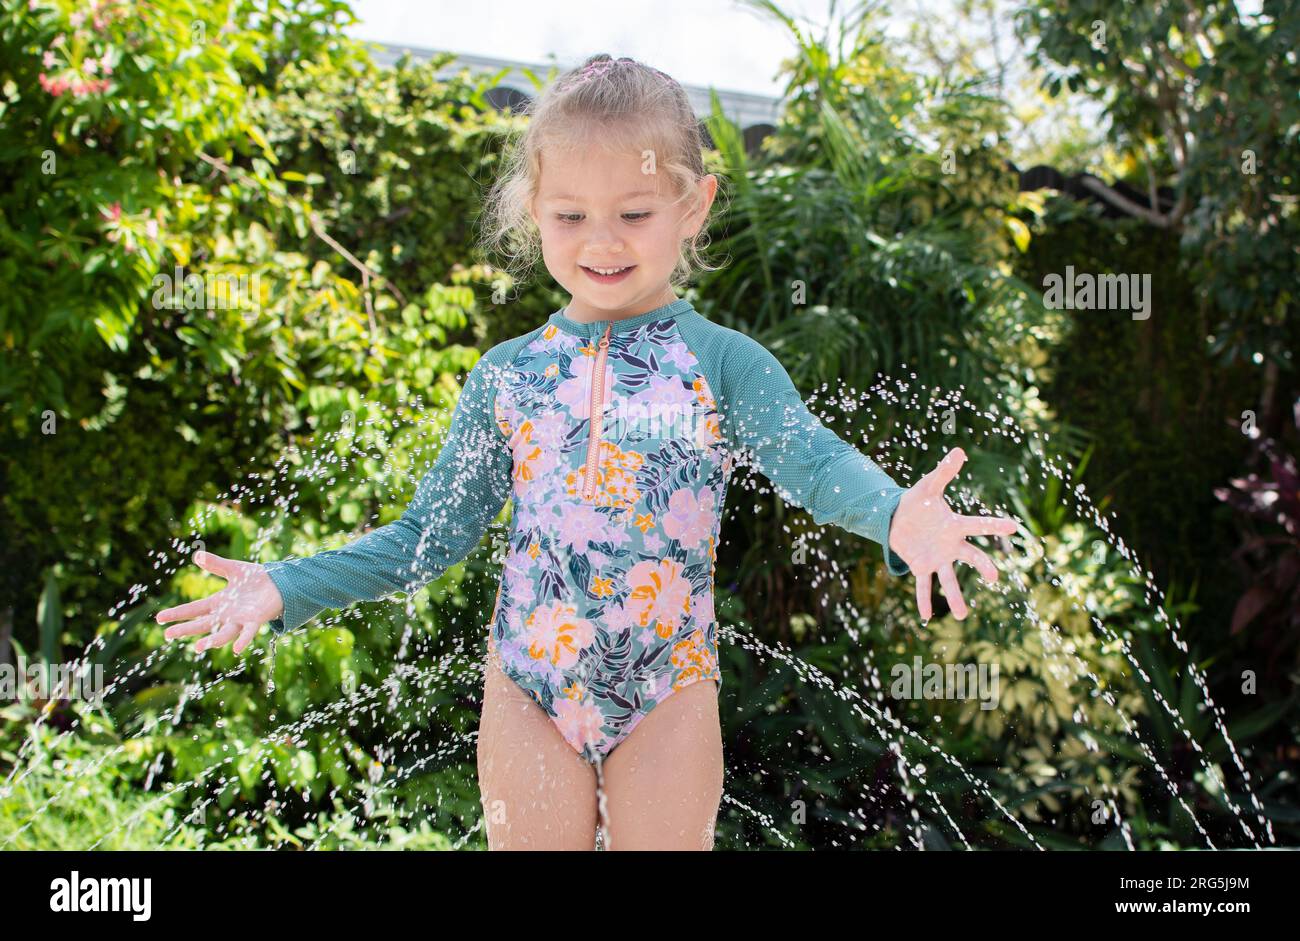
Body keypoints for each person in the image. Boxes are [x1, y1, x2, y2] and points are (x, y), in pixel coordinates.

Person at [156, 53, 1018, 851]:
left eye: (634, 213)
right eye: (571, 215)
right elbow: (428, 538)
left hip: (668, 688)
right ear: (535, 213)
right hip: (530, 684)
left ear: (694, 206)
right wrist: (288, 584)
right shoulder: (508, 376)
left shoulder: (722, 363)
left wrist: (897, 512)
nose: (602, 241)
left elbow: (814, 462)